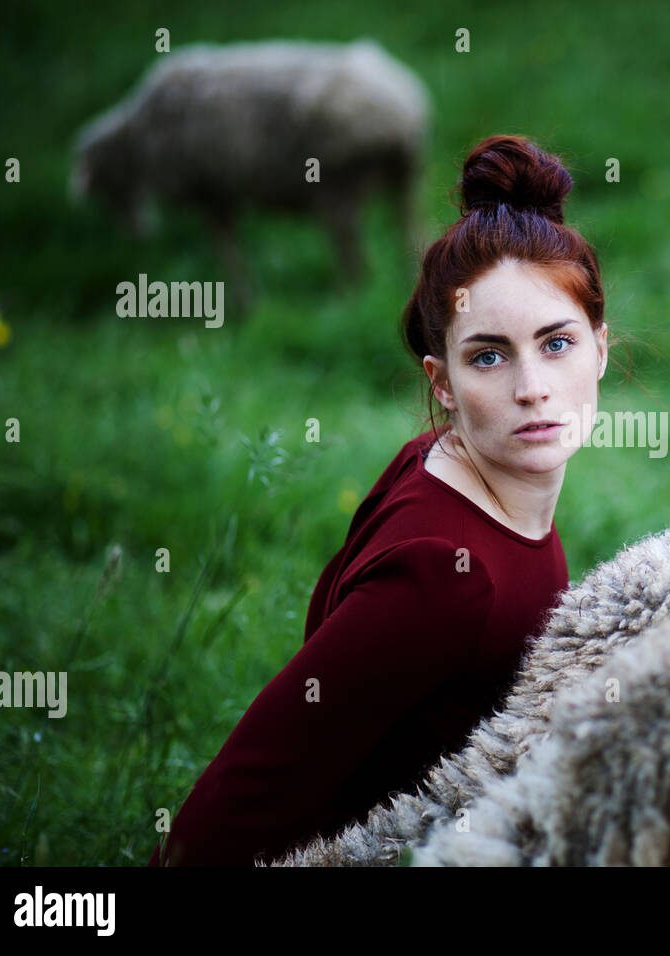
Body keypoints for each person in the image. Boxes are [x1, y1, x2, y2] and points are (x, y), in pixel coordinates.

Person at [148, 134, 610, 866]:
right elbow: (257, 776)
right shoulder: (447, 577)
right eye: (487, 355)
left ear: (601, 348)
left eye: (557, 343)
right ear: (442, 384)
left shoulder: (438, 462)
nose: (532, 387)